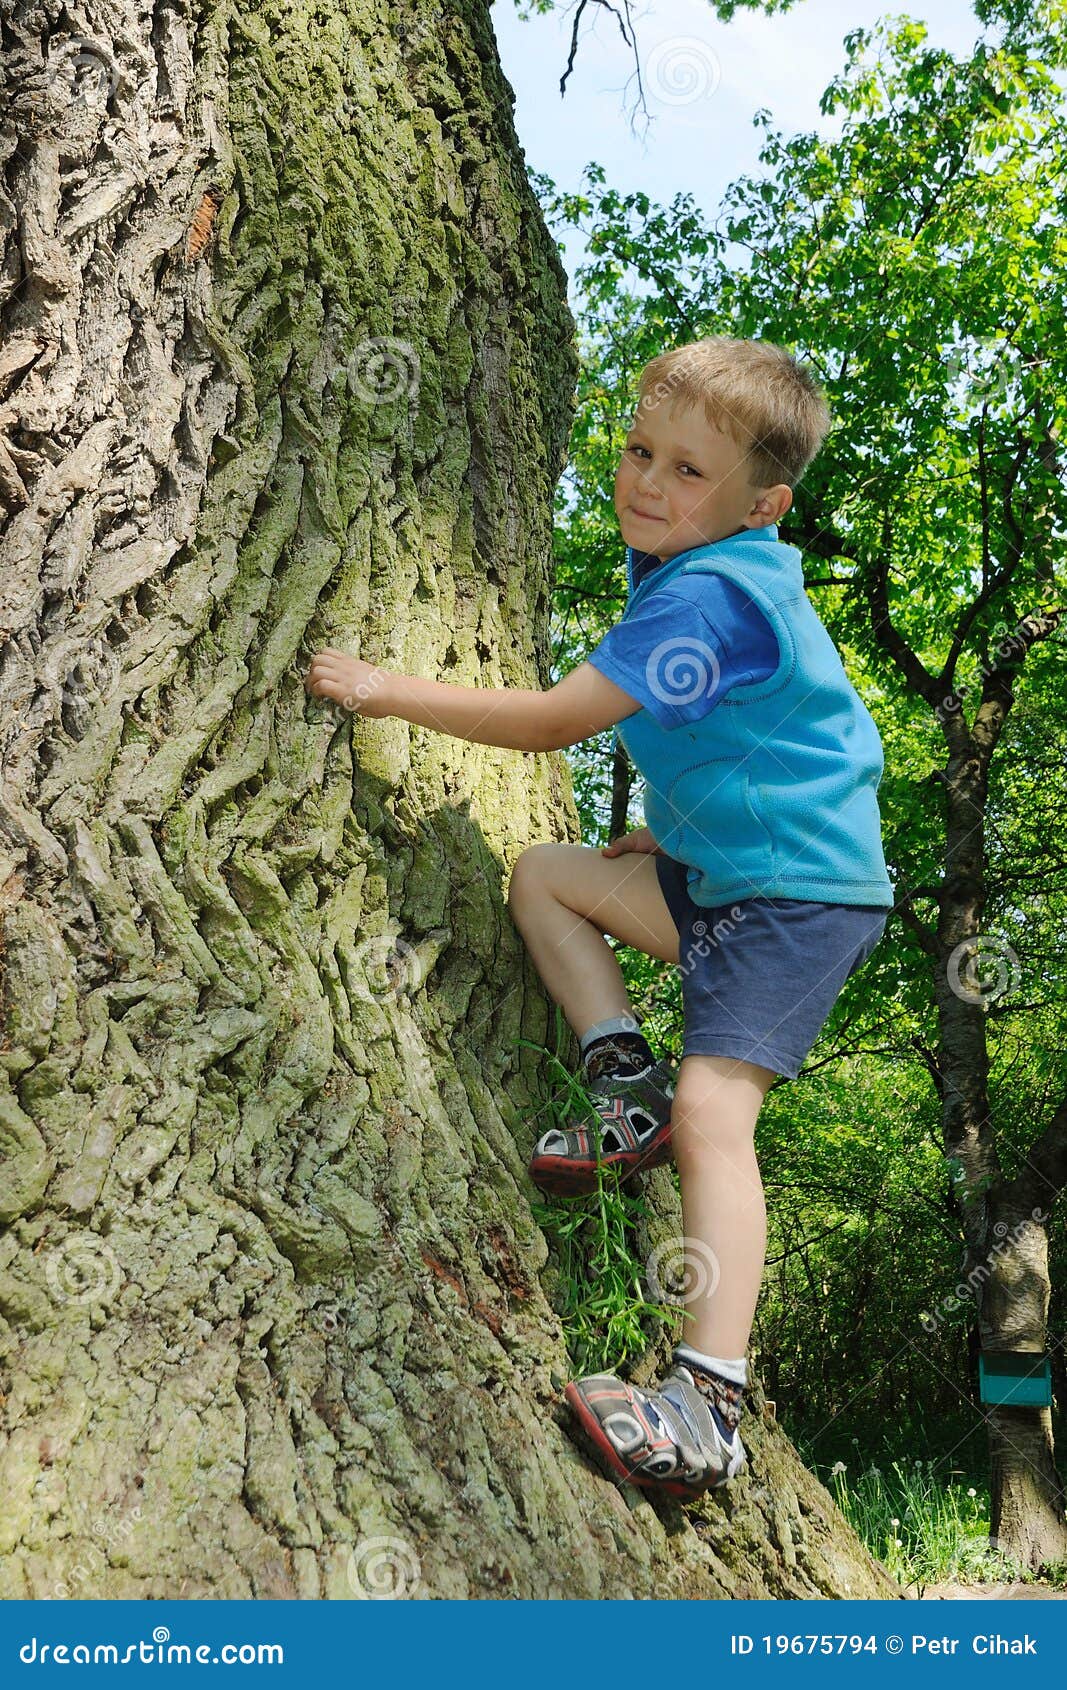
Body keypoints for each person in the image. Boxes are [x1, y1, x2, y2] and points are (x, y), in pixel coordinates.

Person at [304, 334, 894, 1502]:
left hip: (798, 903)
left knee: (717, 1115)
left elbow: (552, 723)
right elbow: (744, 738)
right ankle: (622, 1082)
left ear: (762, 505)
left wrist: (381, 689)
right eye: (638, 451)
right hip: (724, 883)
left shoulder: (713, 592)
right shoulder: (689, 567)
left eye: (687, 470)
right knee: (545, 875)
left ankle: (709, 1405)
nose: (645, 482)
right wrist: (673, 838)